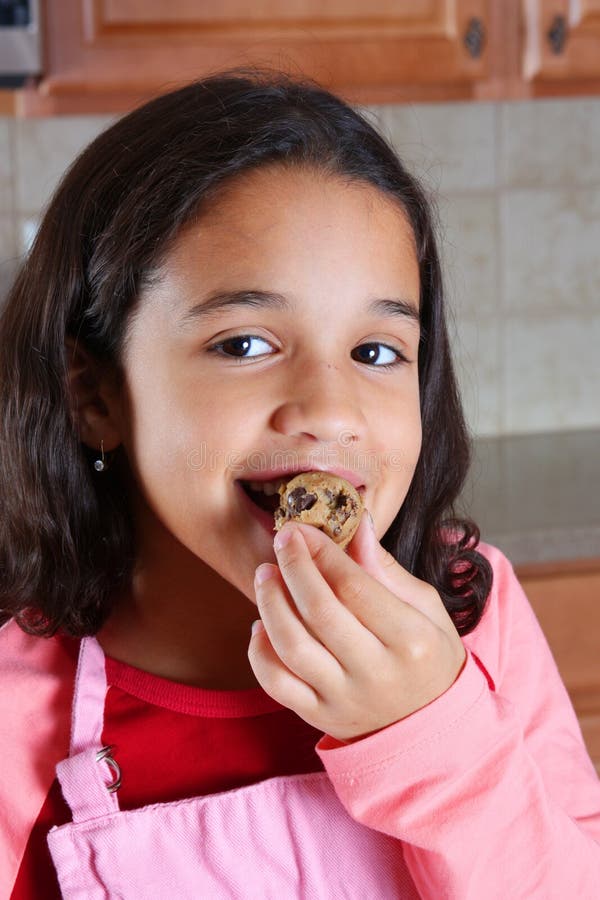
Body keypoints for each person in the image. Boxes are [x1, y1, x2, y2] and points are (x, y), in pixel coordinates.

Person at [0, 67, 599, 899]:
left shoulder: (471, 612)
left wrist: (431, 729)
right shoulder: (15, 700)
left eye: (376, 351)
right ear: (95, 394)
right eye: (245, 344)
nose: (330, 409)